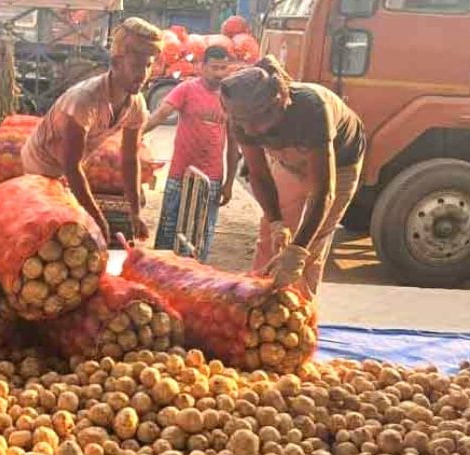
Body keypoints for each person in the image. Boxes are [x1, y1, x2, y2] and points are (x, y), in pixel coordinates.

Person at [221, 56, 365, 297]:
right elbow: (259, 175)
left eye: (260, 122)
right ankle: (255, 303)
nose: (253, 131)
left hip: (339, 163)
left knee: (310, 247)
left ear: (280, 102)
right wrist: (276, 222)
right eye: (247, 125)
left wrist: (298, 250)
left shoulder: (311, 109)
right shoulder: (240, 119)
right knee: (270, 237)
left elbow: (323, 191)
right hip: (288, 160)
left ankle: (299, 316)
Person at [21, 18, 164, 241]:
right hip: (39, 165)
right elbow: (71, 166)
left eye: (148, 65)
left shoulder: (136, 104)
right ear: (116, 63)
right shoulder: (84, 100)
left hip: (66, 171)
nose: (143, 74)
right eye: (136, 66)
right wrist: (96, 217)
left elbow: (129, 160)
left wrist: (135, 214)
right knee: (47, 237)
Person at [144, 45, 239, 260]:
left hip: (212, 178)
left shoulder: (230, 98)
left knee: (201, 237)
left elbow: (234, 144)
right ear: (202, 67)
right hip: (180, 174)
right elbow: (161, 114)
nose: (219, 74)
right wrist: (134, 135)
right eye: (214, 67)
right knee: (169, 233)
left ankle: (195, 278)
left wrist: (229, 183)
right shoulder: (186, 89)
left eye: (223, 68)